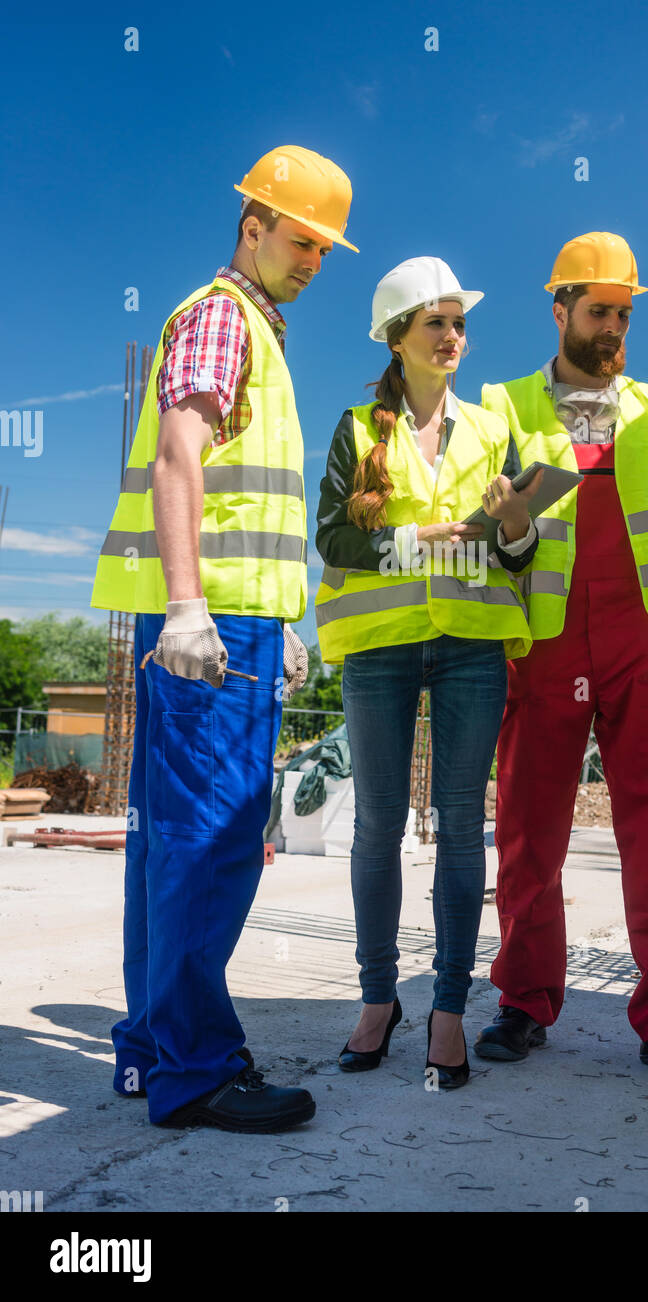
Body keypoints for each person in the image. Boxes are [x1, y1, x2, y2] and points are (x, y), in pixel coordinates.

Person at [91, 145, 359, 1131]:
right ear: (252, 224)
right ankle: (196, 1067)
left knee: (168, 845)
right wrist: (191, 605)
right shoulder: (222, 317)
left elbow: (250, 499)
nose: (314, 261)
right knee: (212, 839)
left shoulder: (254, 332)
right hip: (213, 631)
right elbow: (178, 459)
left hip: (239, 623)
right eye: (302, 240)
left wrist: (276, 620)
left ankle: (152, 1050)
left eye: (327, 249)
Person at [475, 232, 648, 1089]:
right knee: (528, 828)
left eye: (623, 311)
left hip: (640, 637)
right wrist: (506, 526)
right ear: (559, 311)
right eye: (598, 311)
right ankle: (523, 998)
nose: (613, 326)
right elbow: (495, 539)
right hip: (545, 638)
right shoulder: (502, 403)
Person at [315, 256, 542, 1089]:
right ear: (397, 338)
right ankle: (378, 1000)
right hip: (379, 646)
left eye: (458, 322)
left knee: (457, 822)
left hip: (472, 644)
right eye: (435, 323)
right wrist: (419, 539)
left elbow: (518, 550)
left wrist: (515, 528)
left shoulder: (490, 430)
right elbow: (332, 539)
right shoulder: (355, 428)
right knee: (377, 826)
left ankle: (448, 1008)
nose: (453, 337)